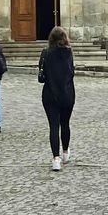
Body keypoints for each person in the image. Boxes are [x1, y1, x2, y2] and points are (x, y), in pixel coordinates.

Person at [41, 25, 76, 171]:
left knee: (54, 126)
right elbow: (71, 72)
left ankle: (56, 159)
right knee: (65, 123)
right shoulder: (69, 52)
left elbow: (42, 75)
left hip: (50, 93)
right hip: (67, 93)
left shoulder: (46, 53)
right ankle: (65, 153)